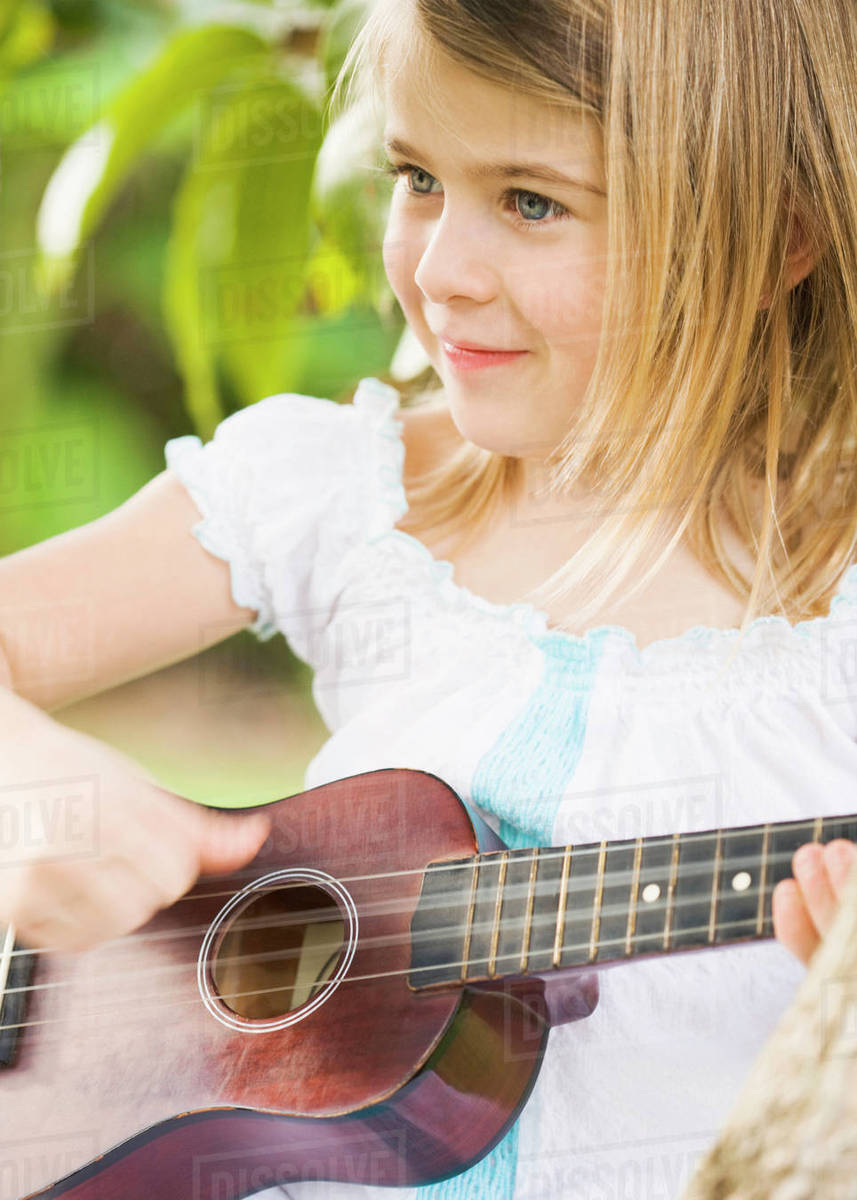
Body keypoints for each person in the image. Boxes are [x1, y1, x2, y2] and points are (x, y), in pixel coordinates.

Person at [2, 1, 857, 1198]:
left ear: (773, 240)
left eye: (531, 202)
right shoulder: (339, 494)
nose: (441, 271)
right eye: (416, 177)